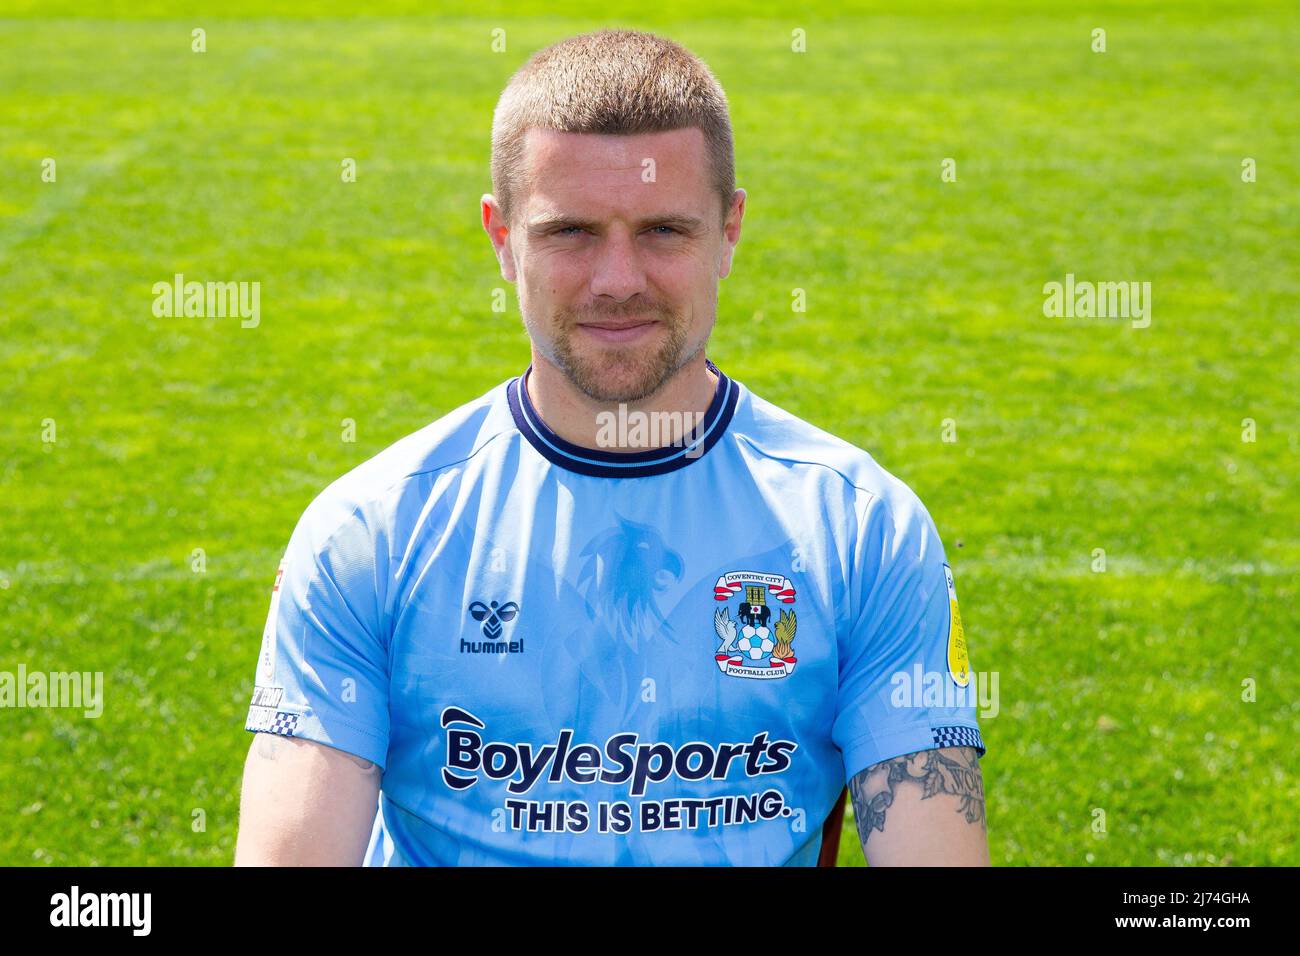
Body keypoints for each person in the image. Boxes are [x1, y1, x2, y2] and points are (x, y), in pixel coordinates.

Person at [234, 27, 988, 867]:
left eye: (664, 230)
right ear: (501, 239)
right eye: (572, 233)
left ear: (730, 230)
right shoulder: (367, 535)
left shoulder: (864, 530)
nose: (619, 280)